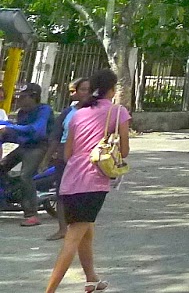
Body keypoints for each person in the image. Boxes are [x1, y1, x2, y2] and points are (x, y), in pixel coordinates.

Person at [45, 69, 127, 293]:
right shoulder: (118, 112)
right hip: (93, 181)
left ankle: (92, 279)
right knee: (73, 238)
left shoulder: (78, 113)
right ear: (112, 89)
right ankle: (49, 290)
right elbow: (124, 151)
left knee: (86, 230)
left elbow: (67, 152)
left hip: (70, 178)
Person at [0, 82, 54, 227]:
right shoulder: (21, 113)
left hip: (40, 146)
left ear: (34, 97)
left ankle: (32, 214)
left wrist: (10, 127)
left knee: (26, 176)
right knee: (2, 166)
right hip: (25, 146)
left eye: (23, 97)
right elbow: (19, 133)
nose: (19, 100)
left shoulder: (44, 110)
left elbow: (37, 130)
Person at [45, 80, 92, 243]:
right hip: (64, 155)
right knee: (62, 192)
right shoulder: (68, 112)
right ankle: (63, 229)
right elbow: (56, 136)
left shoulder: (97, 111)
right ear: (76, 92)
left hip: (86, 156)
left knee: (84, 194)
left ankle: (81, 229)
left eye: (89, 89)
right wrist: (47, 158)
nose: (86, 93)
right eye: (83, 89)